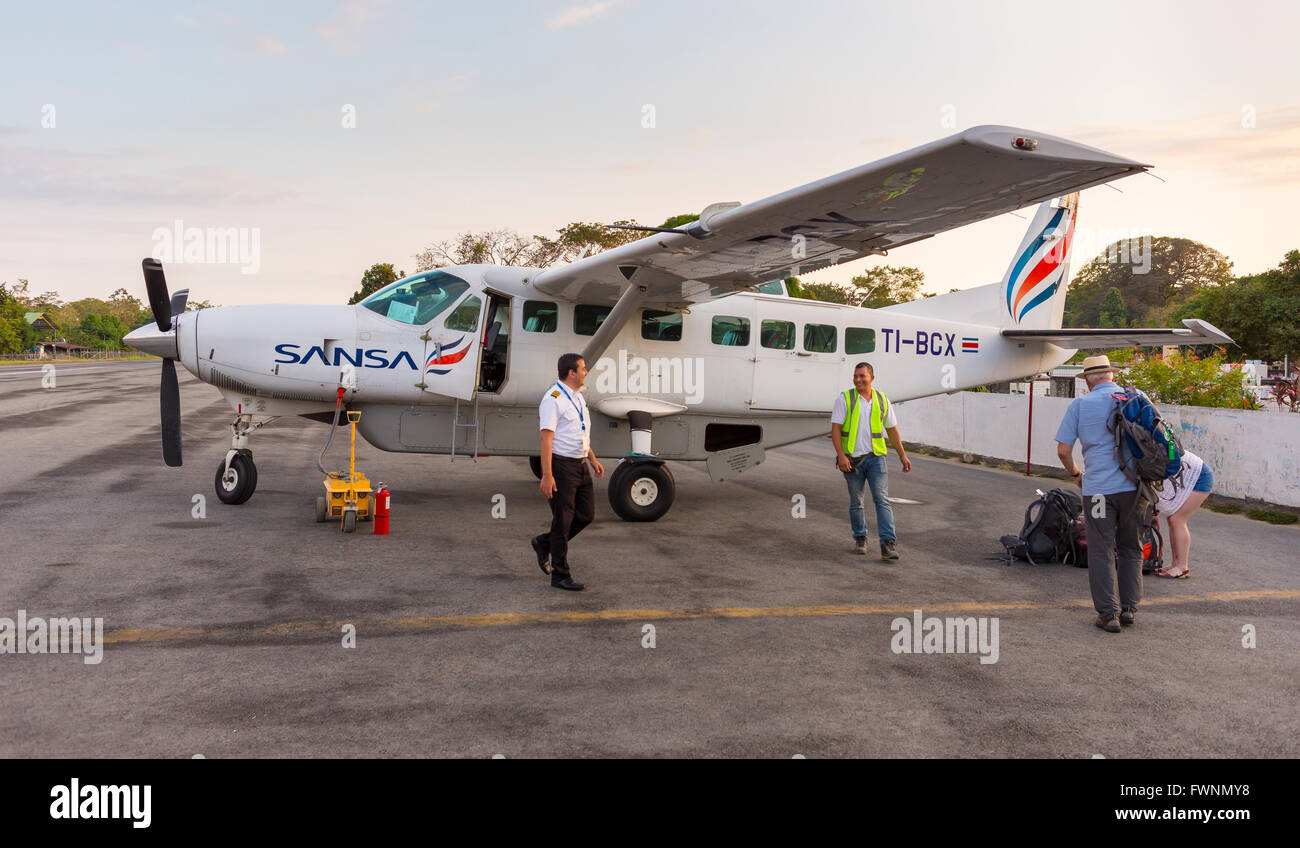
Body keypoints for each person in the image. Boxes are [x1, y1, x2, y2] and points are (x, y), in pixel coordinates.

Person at [1054, 354, 1145, 632]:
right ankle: (1129, 609)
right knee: (1131, 547)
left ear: (1088, 382)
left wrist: (1076, 475)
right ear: (1111, 376)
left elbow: (1063, 451)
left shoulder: (1080, 405)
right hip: (1136, 489)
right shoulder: (1136, 397)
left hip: (1098, 493)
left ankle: (1109, 614)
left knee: (1101, 549)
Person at [531, 353, 604, 591]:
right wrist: (547, 474)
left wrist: (592, 459)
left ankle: (544, 543)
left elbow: (579, 432)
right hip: (562, 467)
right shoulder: (553, 399)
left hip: (581, 464)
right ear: (571, 373)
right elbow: (546, 440)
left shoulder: (578, 397)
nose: (586, 372)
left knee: (586, 515)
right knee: (563, 522)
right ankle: (560, 575)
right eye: (583, 369)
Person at [830, 362, 911, 561]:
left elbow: (892, 430)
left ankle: (888, 544)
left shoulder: (882, 400)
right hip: (852, 461)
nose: (858, 379)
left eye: (862, 376)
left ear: (871, 378)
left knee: (882, 500)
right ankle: (860, 537)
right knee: (856, 503)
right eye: (855, 376)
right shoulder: (845, 399)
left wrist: (902, 455)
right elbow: (836, 429)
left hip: (876, 458)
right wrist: (841, 456)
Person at [1152, 449, 1213, 579]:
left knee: (1177, 519)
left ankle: (1182, 566)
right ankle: (1175, 564)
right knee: (1172, 519)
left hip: (1200, 477)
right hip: (1194, 474)